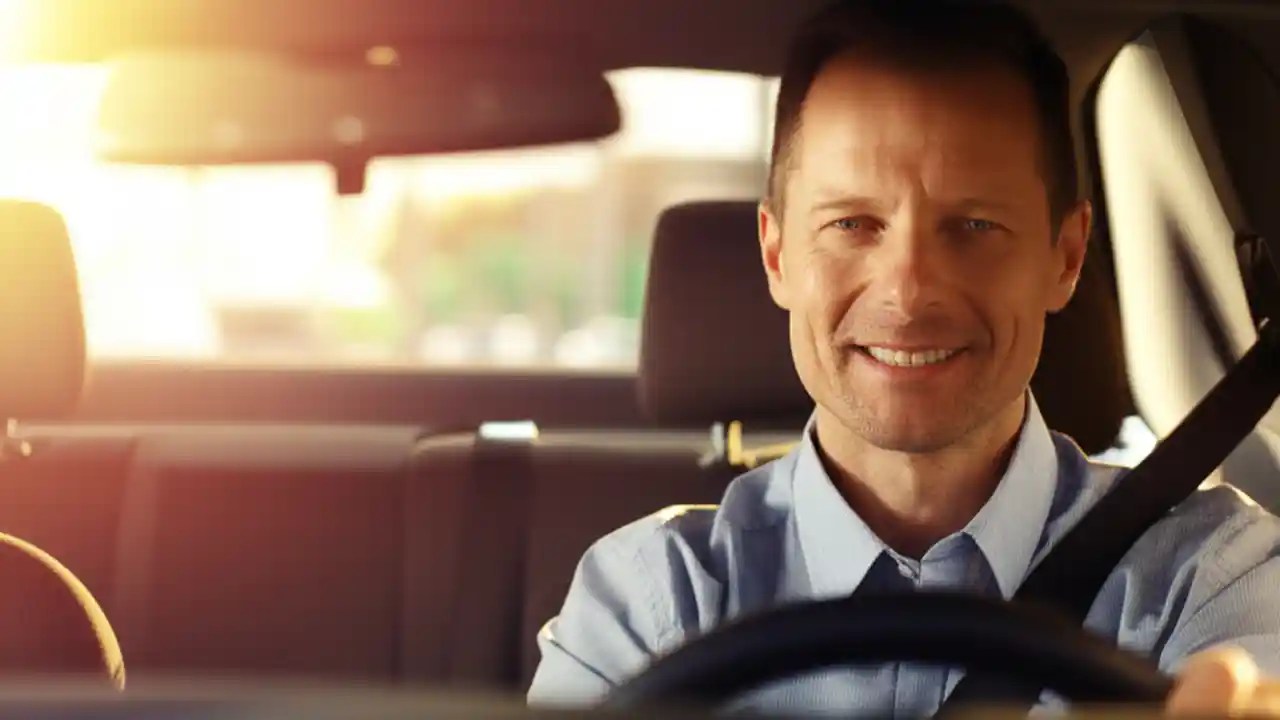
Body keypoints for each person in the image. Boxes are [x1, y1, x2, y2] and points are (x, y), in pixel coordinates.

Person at [527, 0, 1280, 714]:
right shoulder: (650, 603)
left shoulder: (1210, 579)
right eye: (853, 223)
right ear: (778, 253)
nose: (911, 290)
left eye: (975, 225)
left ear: (1066, 256)